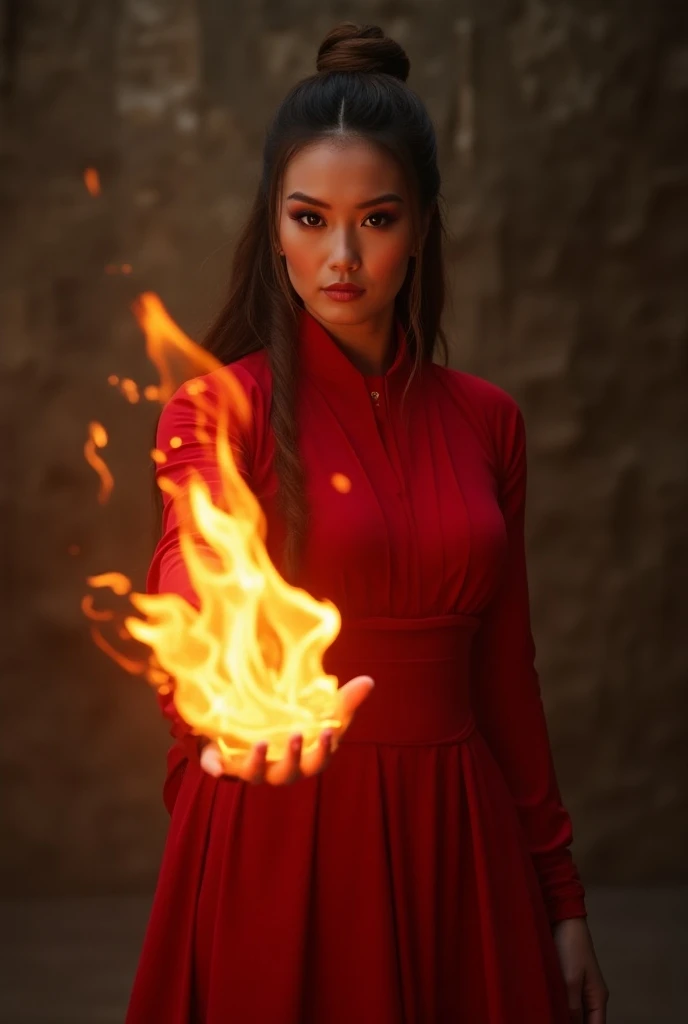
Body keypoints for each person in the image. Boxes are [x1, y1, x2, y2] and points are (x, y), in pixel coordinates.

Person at [125, 21, 609, 1024]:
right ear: (272, 226)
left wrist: (560, 900)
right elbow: (187, 581)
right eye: (308, 218)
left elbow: (505, 673)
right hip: (280, 827)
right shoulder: (217, 411)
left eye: (375, 219)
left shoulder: (489, 421)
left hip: (456, 830)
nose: (339, 255)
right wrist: (220, 718)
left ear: (421, 225)